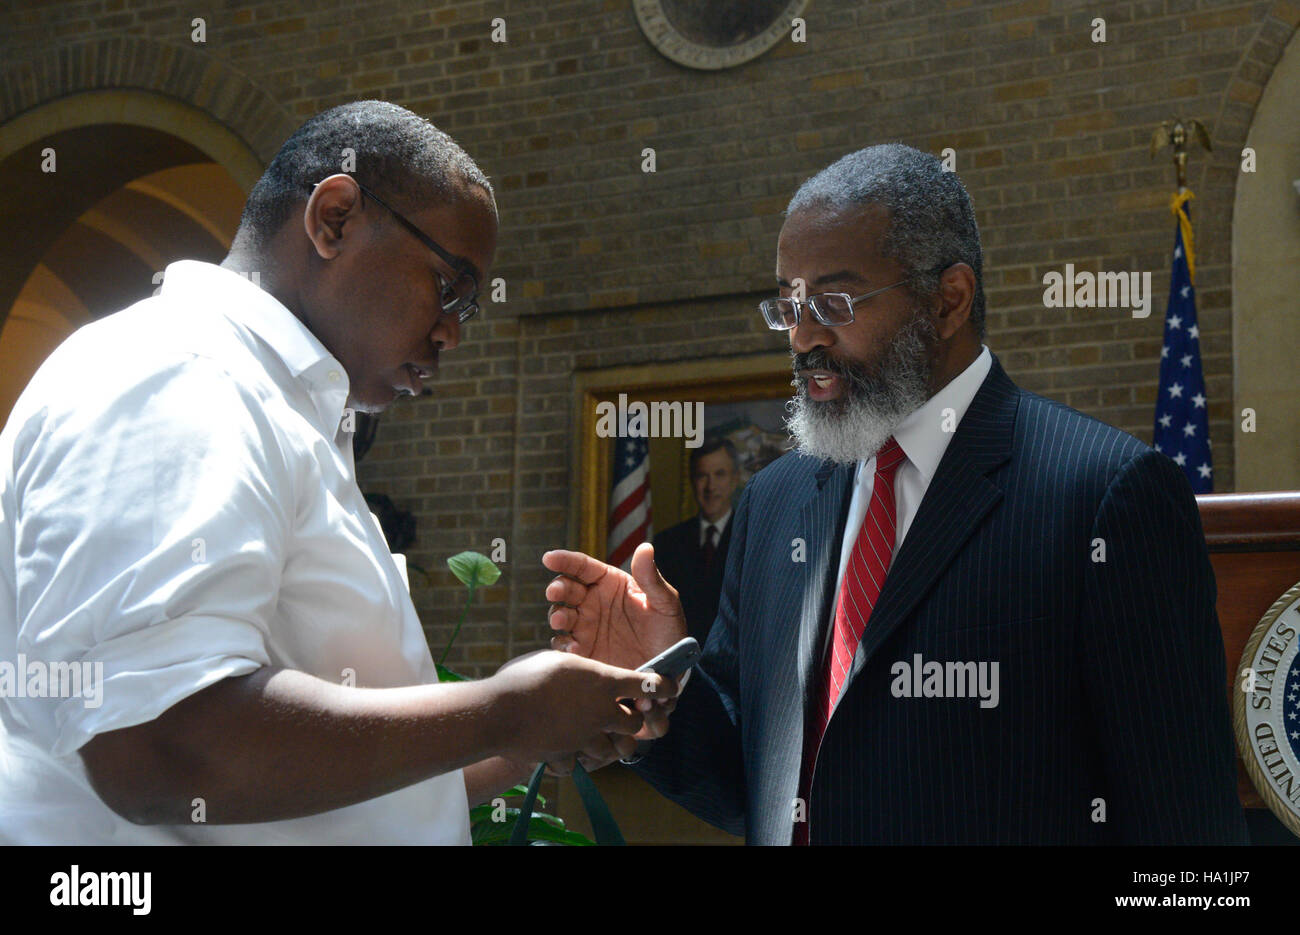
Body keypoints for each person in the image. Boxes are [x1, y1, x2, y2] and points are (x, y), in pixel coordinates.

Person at [0, 100, 670, 844]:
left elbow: (354, 784)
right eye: (449, 286)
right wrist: (502, 709)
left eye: (468, 309)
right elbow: (159, 749)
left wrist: (538, 727)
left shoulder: (281, 409)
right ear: (336, 218)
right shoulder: (181, 375)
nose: (451, 331)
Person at [543, 143, 1249, 845]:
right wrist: (665, 686)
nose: (803, 337)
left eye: (835, 303)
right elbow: (758, 778)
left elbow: (1188, 834)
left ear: (949, 300)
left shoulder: (1103, 495)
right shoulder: (776, 502)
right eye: (788, 304)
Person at [653, 437, 740, 644]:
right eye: (702, 476)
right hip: (683, 665)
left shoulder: (752, 537)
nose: (710, 486)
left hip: (736, 666)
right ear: (692, 481)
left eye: (720, 474)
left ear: (735, 479)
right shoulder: (667, 543)